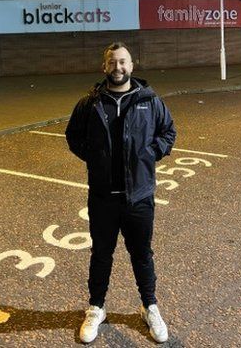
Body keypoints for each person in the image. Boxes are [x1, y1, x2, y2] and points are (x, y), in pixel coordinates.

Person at [65, 42, 176, 343]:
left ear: (132, 65)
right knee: (101, 254)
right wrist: (94, 157)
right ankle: (96, 308)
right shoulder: (90, 103)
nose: (118, 68)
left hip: (139, 196)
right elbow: (72, 135)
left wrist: (151, 153)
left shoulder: (149, 100)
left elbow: (168, 131)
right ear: (104, 66)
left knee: (142, 254)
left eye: (123, 62)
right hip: (103, 197)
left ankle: (149, 307)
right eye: (112, 62)